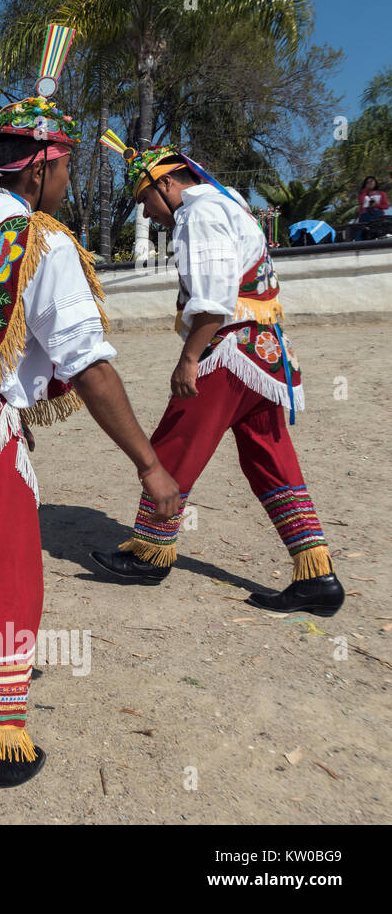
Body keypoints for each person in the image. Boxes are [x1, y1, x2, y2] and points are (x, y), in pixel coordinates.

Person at [0, 96, 180, 794]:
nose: (69, 182)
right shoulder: (39, 240)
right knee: (10, 580)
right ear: (44, 165)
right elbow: (88, 362)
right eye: (67, 167)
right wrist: (149, 462)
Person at [89, 145, 343, 617]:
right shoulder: (231, 204)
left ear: (167, 184)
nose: (148, 212)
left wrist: (189, 358)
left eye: (146, 200)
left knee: (174, 443)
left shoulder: (199, 215)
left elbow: (212, 301)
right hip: (265, 354)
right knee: (270, 458)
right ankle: (316, 571)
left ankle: (150, 551)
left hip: (228, 350)